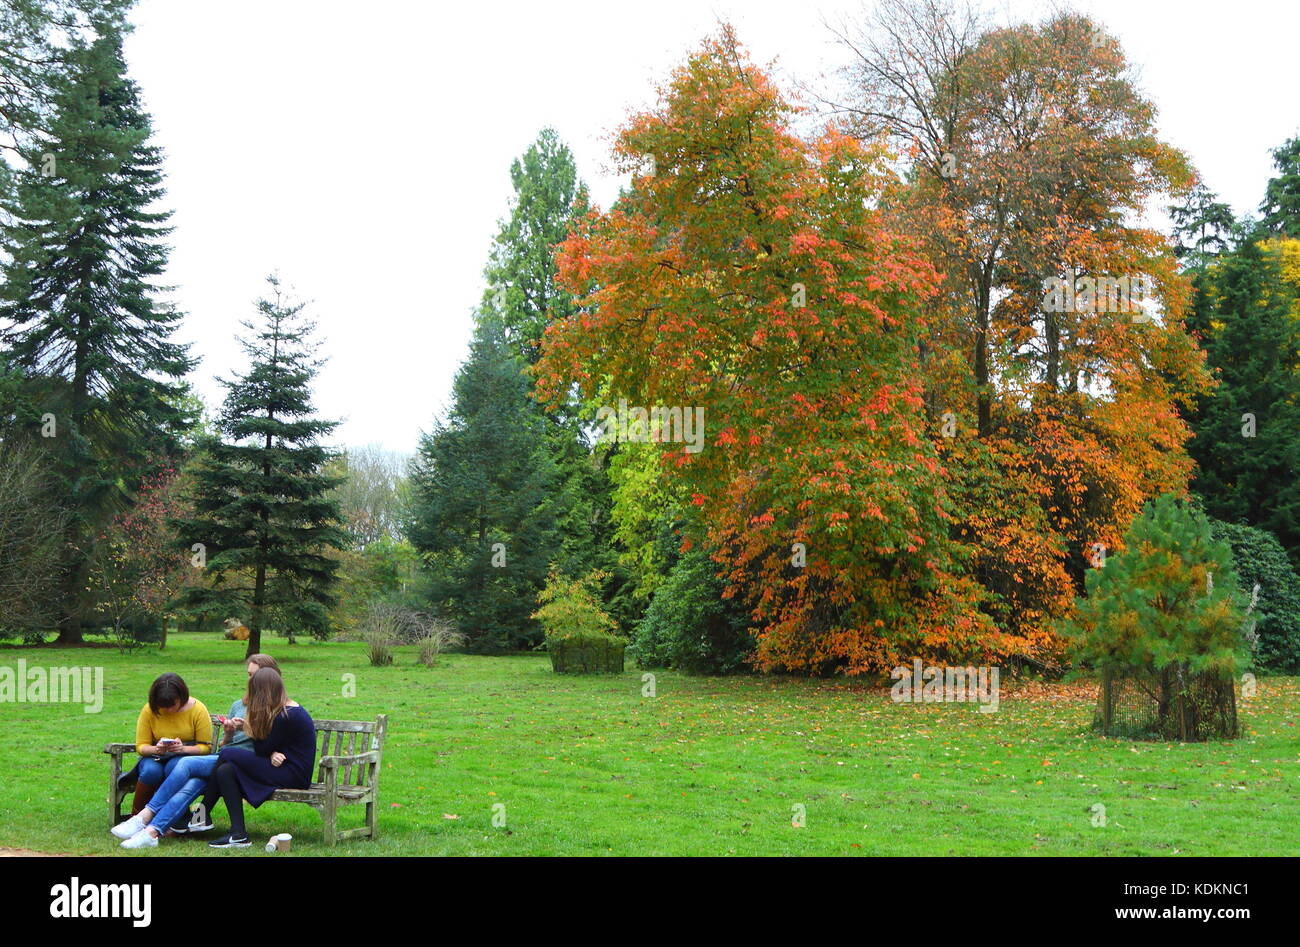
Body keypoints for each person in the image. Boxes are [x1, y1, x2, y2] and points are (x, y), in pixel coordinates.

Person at [113, 655, 281, 849]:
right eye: (249, 674)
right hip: (224, 760)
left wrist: (257, 738)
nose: (250, 680)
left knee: (184, 763)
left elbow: (277, 742)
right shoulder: (238, 705)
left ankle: (144, 817)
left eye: (254, 675)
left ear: (270, 676)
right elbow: (225, 746)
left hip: (245, 764)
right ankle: (153, 831)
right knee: (195, 782)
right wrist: (228, 732)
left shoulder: (276, 709)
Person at [208, 667, 316, 849]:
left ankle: (202, 813)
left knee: (227, 753)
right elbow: (269, 747)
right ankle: (238, 834)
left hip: (294, 774)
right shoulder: (283, 709)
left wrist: (249, 728)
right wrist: (269, 749)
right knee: (226, 771)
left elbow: (261, 748)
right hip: (282, 767)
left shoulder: (285, 715)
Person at [120, 673, 212, 817]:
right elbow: (141, 746)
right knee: (151, 771)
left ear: (182, 697)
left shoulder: (198, 709)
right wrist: (157, 748)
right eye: (163, 706)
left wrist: (183, 749)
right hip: (155, 756)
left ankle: (173, 820)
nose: (168, 710)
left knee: (175, 768)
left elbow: (206, 748)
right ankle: (136, 817)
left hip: (185, 757)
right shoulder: (149, 710)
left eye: (172, 705)